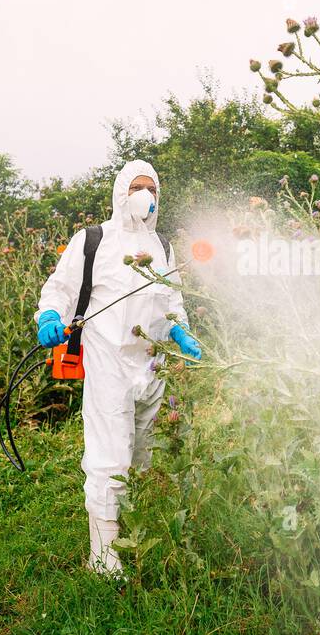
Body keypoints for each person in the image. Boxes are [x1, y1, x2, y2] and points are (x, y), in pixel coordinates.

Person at [33, 160, 202, 576]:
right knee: (110, 457)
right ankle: (103, 559)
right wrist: (49, 318)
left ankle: (129, 533)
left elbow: (170, 300)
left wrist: (181, 334)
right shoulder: (94, 241)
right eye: (138, 187)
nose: (146, 195)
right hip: (108, 361)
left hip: (152, 364)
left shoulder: (161, 245)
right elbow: (60, 288)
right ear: (121, 193)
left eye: (153, 188)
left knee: (140, 455)